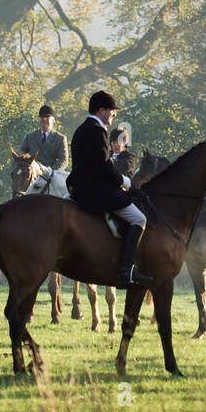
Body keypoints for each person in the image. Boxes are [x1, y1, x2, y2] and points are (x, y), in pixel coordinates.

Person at [67, 90, 152, 286]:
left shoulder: (81, 129)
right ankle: (127, 270)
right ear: (102, 110)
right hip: (97, 191)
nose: (114, 115)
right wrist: (124, 181)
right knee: (139, 218)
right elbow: (104, 167)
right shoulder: (97, 131)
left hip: (78, 188)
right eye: (112, 110)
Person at [19, 104, 68, 171]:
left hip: (51, 176)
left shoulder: (60, 138)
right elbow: (21, 152)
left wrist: (50, 171)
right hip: (32, 174)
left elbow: (64, 160)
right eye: (42, 117)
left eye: (47, 117)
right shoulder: (30, 136)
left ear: (53, 120)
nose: (44, 119)